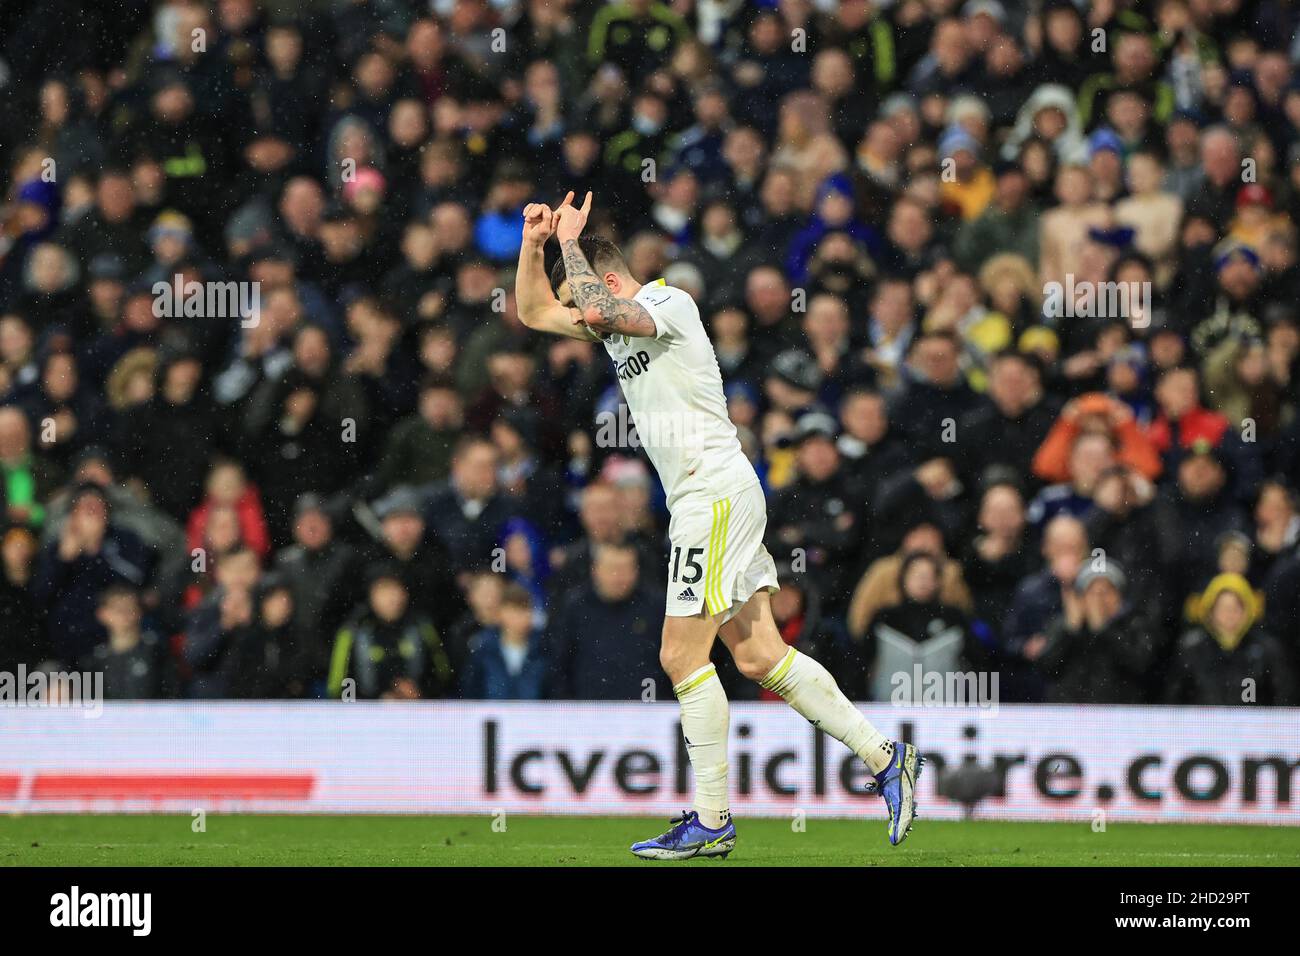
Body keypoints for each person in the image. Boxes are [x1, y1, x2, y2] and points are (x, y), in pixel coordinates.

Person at [515, 191, 922, 858]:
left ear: (609, 275)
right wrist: (534, 246)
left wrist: (569, 246)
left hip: (714, 495)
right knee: (759, 655)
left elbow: (590, 304)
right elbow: (533, 311)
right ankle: (885, 757)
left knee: (679, 655)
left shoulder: (669, 303)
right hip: (709, 498)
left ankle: (712, 819)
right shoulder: (614, 324)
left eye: (584, 279)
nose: (581, 306)